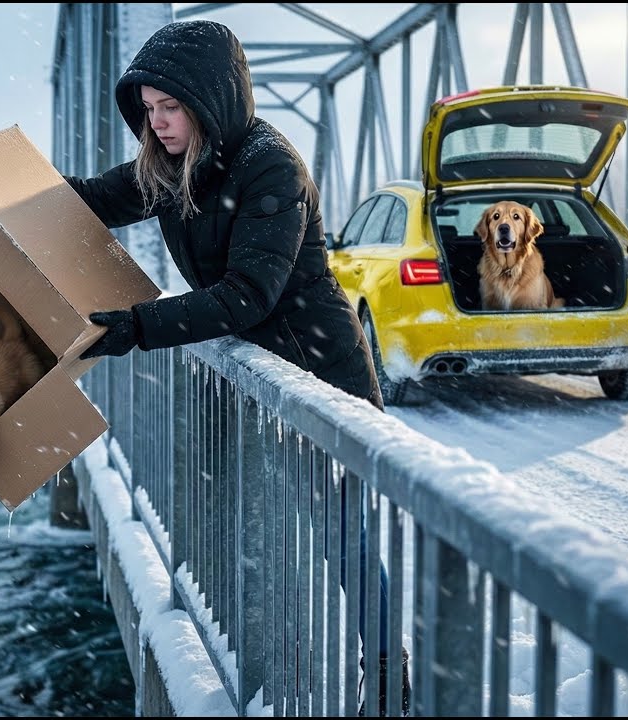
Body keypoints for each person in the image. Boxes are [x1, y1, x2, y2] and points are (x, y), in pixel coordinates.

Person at [64, 19, 411, 716]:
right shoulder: (168, 166)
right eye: (148, 109)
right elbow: (93, 201)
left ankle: (389, 675)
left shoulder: (268, 165)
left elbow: (250, 294)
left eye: (171, 107)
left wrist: (135, 326)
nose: (157, 123)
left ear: (210, 99)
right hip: (250, 379)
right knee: (252, 523)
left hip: (316, 378)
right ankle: (276, 664)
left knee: (341, 537)